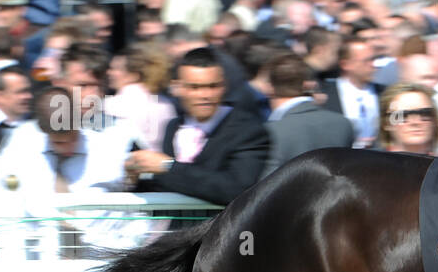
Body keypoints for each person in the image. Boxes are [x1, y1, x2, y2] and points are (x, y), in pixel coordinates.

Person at [123, 46, 269, 205]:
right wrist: (137, 175)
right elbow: (169, 185)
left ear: (224, 86)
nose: (204, 95)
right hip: (174, 228)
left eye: (212, 86)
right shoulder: (173, 126)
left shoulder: (248, 129)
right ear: (176, 88)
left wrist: (168, 166)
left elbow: (237, 189)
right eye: (194, 87)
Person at [261, 51, 353, 177]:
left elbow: (265, 185)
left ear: (269, 88)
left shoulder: (272, 131)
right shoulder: (342, 123)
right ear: (307, 85)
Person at [376, 82, 438, 156]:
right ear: (386, 123)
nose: (415, 122)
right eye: (403, 115)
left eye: (425, 113)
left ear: (435, 120)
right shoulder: (369, 164)